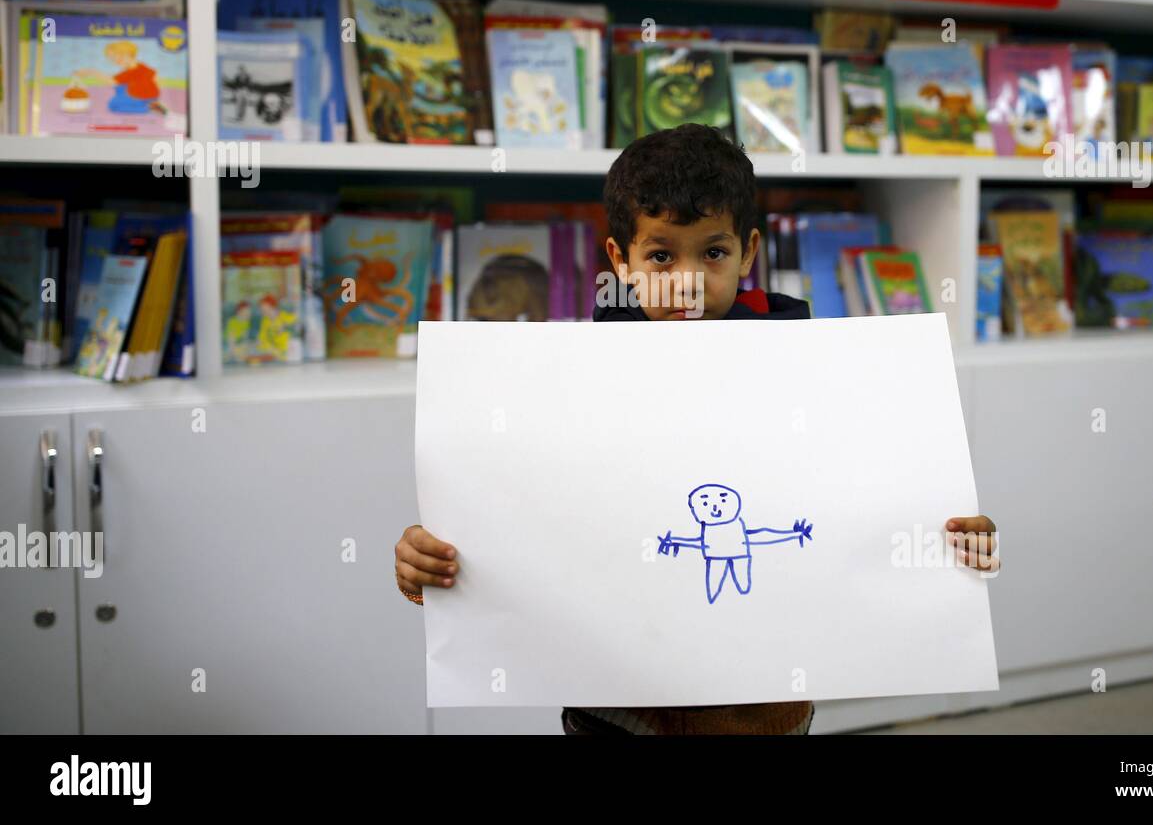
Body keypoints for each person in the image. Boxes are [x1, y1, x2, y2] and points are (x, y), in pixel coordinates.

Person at [394, 123, 1000, 735]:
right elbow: (515, 510)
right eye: (661, 255)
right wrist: (435, 568)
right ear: (619, 260)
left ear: (749, 252)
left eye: (712, 253)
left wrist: (942, 539)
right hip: (614, 703)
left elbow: (870, 492)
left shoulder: (812, 363)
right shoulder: (565, 379)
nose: (687, 280)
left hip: (763, 705)